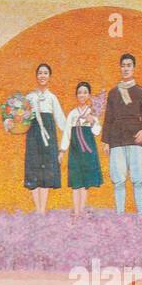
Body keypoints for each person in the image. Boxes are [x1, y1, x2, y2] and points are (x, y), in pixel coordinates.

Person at [102, 53, 142, 214]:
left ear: (134, 68)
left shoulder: (141, 92)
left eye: (129, 65)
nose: (126, 68)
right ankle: (120, 215)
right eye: (123, 65)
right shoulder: (113, 93)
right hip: (116, 138)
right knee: (118, 180)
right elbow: (108, 117)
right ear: (120, 67)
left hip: (135, 138)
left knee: (138, 179)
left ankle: (140, 215)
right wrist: (105, 141)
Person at [17, 63, 69, 214]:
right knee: (34, 169)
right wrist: (11, 121)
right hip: (33, 136)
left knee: (46, 171)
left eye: (45, 73)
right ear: (36, 76)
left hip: (49, 137)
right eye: (40, 73)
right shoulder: (29, 97)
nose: (42, 76)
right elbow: (20, 118)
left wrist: (65, 145)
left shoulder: (52, 98)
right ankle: (37, 210)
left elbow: (61, 121)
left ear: (49, 76)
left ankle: (42, 209)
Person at [65, 81, 103, 217]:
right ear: (76, 95)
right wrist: (62, 150)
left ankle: (81, 211)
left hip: (88, 152)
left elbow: (98, 131)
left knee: (85, 183)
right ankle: (75, 212)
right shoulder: (72, 114)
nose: (82, 95)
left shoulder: (92, 113)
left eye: (85, 92)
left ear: (89, 95)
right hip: (75, 151)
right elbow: (66, 134)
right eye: (80, 92)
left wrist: (92, 121)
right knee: (76, 182)